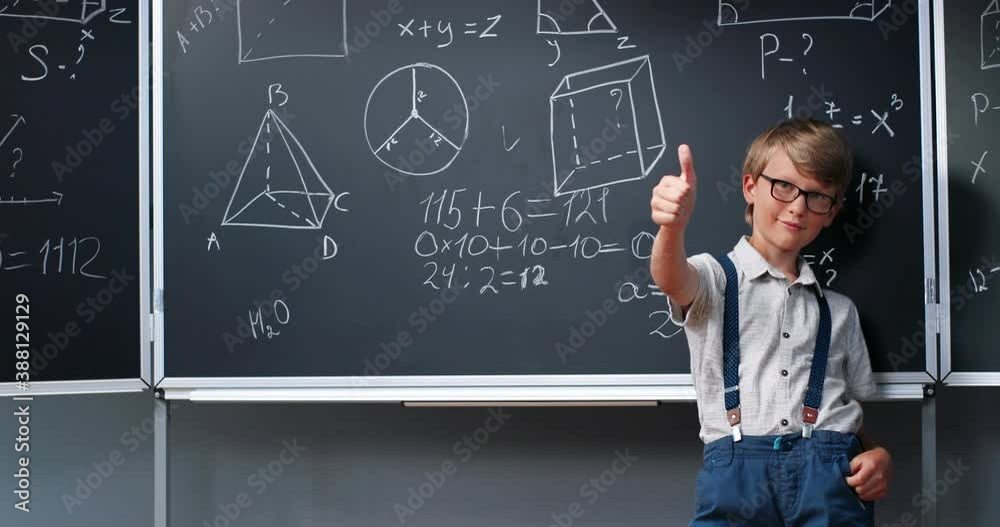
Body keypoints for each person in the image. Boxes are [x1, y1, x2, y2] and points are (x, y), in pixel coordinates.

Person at [649, 118, 892, 526]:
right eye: (784, 187)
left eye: (818, 197)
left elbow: (845, 409)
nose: (798, 206)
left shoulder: (840, 310)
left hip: (831, 476)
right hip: (735, 474)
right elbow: (670, 276)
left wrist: (876, 451)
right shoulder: (713, 279)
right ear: (750, 187)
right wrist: (671, 228)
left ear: (831, 213)